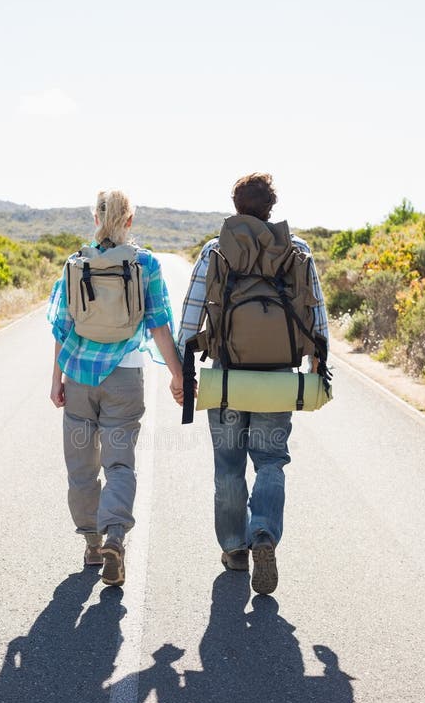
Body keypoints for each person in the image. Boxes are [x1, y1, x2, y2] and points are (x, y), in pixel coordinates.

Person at [177, 173, 329, 595]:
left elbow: (190, 320)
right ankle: (263, 532)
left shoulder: (215, 250)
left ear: (236, 204)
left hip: (226, 375)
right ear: (271, 207)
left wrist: (182, 376)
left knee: (228, 466)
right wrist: (320, 366)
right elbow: (317, 319)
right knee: (271, 460)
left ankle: (234, 549)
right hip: (278, 378)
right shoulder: (298, 251)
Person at [48, 189, 182, 587]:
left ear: (95, 218)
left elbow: (62, 326)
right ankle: (115, 536)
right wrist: (177, 374)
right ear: (130, 221)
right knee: (120, 463)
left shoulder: (76, 263)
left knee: (81, 465)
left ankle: (92, 543)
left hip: (79, 378)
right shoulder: (146, 264)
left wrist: (56, 379)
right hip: (125, 376)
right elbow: (159, 325)